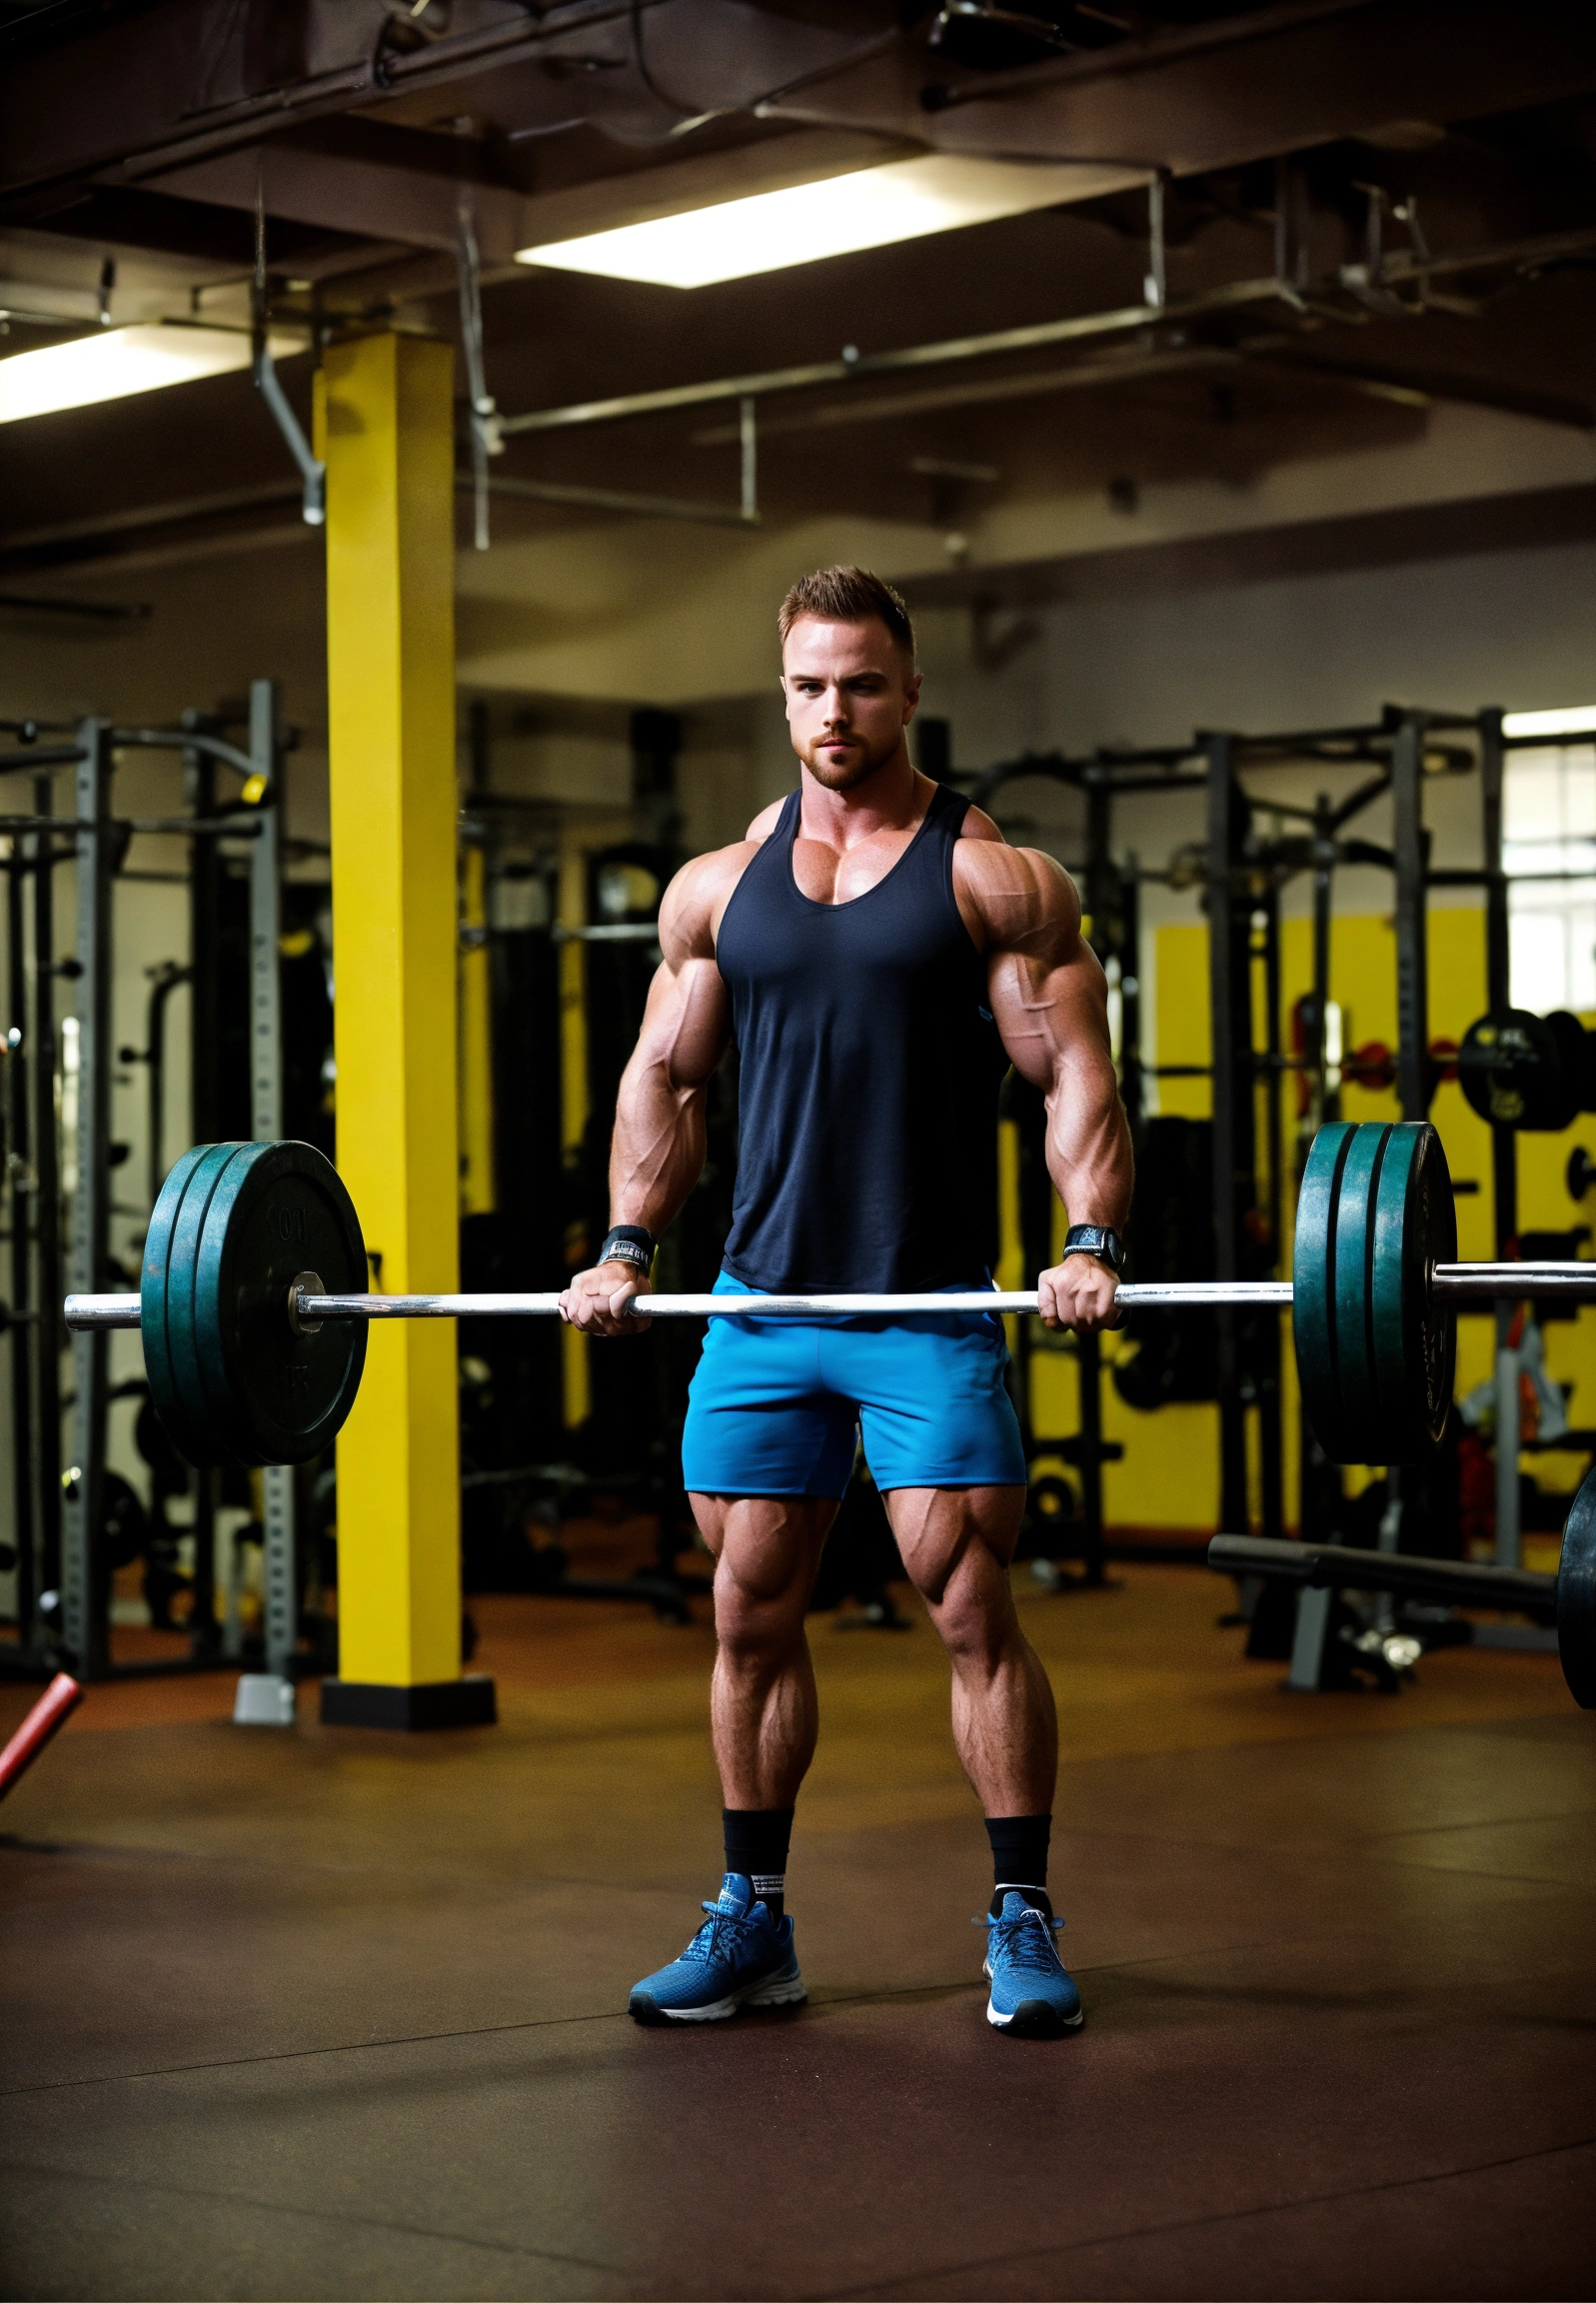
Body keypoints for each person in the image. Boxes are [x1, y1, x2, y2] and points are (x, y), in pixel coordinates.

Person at [563, 566, 1132, 2037]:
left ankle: (1021, 1913)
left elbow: (1072, 1069)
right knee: (748, 1609)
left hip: (924, 1304)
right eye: (812, 684)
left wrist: (1088, 1239)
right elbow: (664, 1080)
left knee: (969, 1605)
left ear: (910, 688)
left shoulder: (986, 872)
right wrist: (627, 1243)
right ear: (784, 689)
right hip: (755, 1308)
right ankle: (752, 1920)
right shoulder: (715, 887)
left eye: (864, 683)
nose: (836, 710)